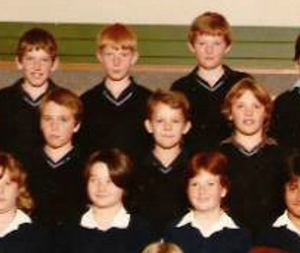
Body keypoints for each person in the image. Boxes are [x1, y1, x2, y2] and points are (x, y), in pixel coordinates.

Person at [55, 148, 157, 253]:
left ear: (124, 185)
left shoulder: (143, 232)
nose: (101, 188)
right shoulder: (68, 230)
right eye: (94, 180)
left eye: (110, 181)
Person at [171, 12, 252, 155]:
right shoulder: (180, 87)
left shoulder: (242, 83)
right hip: (195, 165)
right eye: (202, 43)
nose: (209, 50)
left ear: (227, 47)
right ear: (191, 46)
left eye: (216, 43)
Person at [79, 23, 153, 163]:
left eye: (124, 55)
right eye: (109, 54)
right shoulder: (86, 101)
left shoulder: (149, 100)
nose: (116, 62)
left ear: (134, 57)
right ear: (99, 57)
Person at [219, 78, 285, 230]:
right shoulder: (219, 156)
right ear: (230, 113)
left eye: (256, 106)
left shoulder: (281, 156)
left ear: (266, 113)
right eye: (240, 106)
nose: (248, 113)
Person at [0, 27, 61, 157]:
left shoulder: (64, 101)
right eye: (30, 59)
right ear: (19, 62)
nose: (37, 66)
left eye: (44, 60)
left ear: (54, 64)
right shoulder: (2, 100)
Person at [24, 88, 87, 230]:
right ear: (40, 123)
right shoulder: (25, 163)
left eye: (63, 120)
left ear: (76, 125)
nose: (54, 127)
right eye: (48, 119)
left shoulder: (87, 165)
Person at [132, 90, 194, 230]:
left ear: (186, 127)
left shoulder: (195, 168)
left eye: (175, 121)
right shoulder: (135, 168)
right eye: (160, 121)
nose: (167, 127)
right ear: (148, 126)